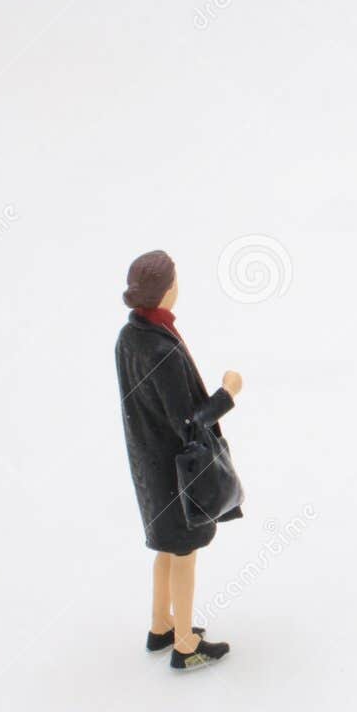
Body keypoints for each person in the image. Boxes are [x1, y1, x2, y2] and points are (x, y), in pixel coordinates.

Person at [115, 251, 244, 672]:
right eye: (175, 281)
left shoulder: (129, 336)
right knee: (184, 554)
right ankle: (185, 645)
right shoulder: (160, 349)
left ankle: (161, 625)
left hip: (148, 464)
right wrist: (228, 392)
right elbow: (190, 422)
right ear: (167, 290)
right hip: (176, 472)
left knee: (166, 550)